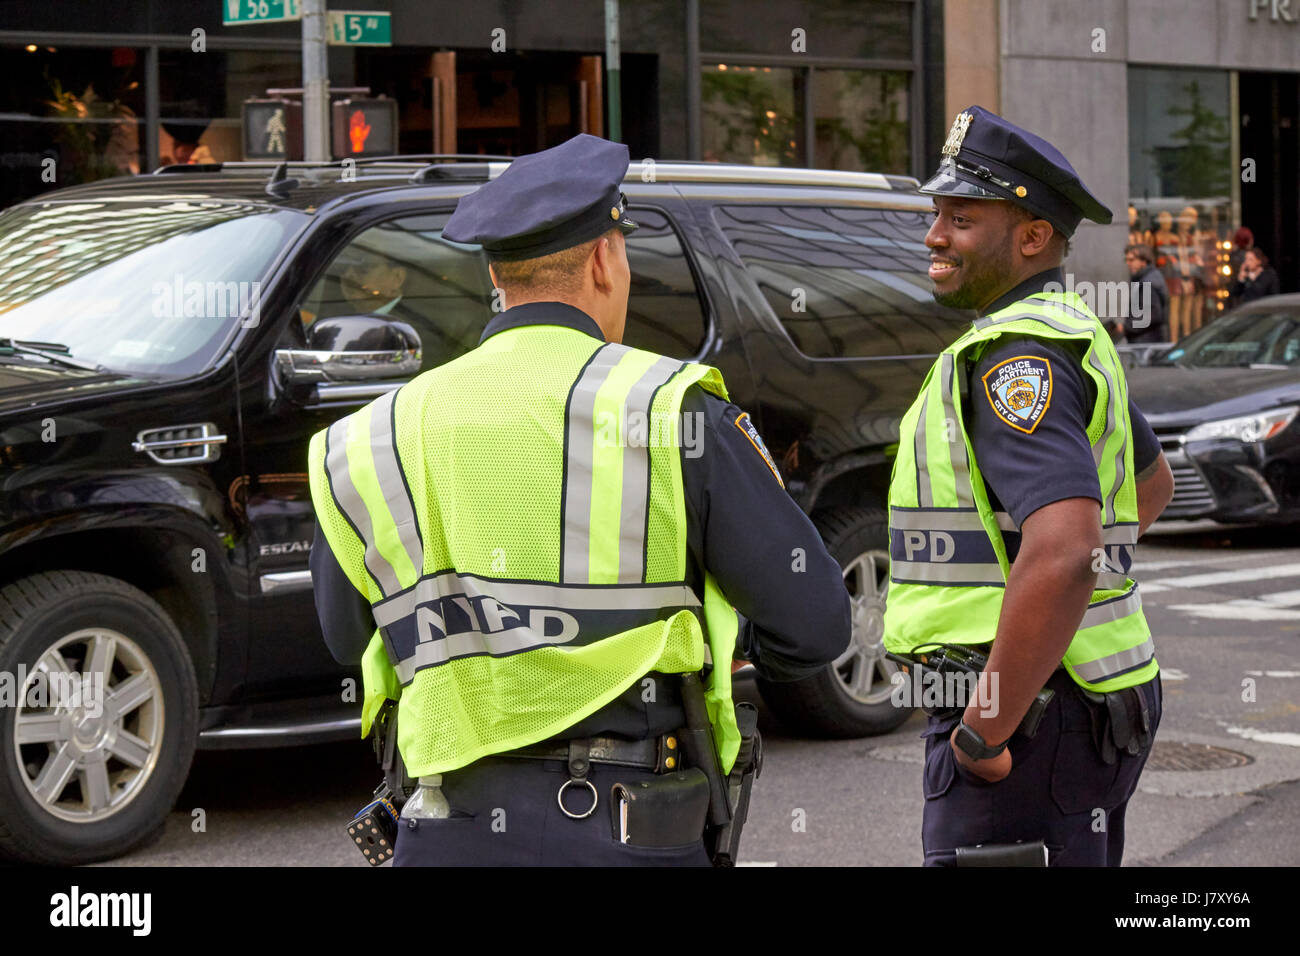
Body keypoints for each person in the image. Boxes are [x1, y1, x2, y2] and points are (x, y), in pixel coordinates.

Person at [306, 133, 850, 867]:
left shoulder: (370, 435)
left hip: (442, 829)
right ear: (605, 259)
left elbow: (349, 642)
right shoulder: (668, 408)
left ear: (497, 277)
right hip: (624, 830)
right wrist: (710, 637)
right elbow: (813, 627)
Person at [884, 106, 1175, 867]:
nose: (934, 236)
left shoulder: (1019, 354)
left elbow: (1066, 552)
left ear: (1032, 236)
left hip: (1031, 724)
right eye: (936, 214)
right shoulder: (1068, 330)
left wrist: (984, 728)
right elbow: (1147, 490)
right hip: (1081, 708)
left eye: (962, 219)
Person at [1122, 244, 1169, 344]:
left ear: (1143, 261)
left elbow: (1152, 316)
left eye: (1131, 260)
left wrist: (1126, 327)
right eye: (1126, 260)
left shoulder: (1147, 282)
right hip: (1147, 341)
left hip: (1147, 342)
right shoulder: (1148, 278)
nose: (1128, 263)